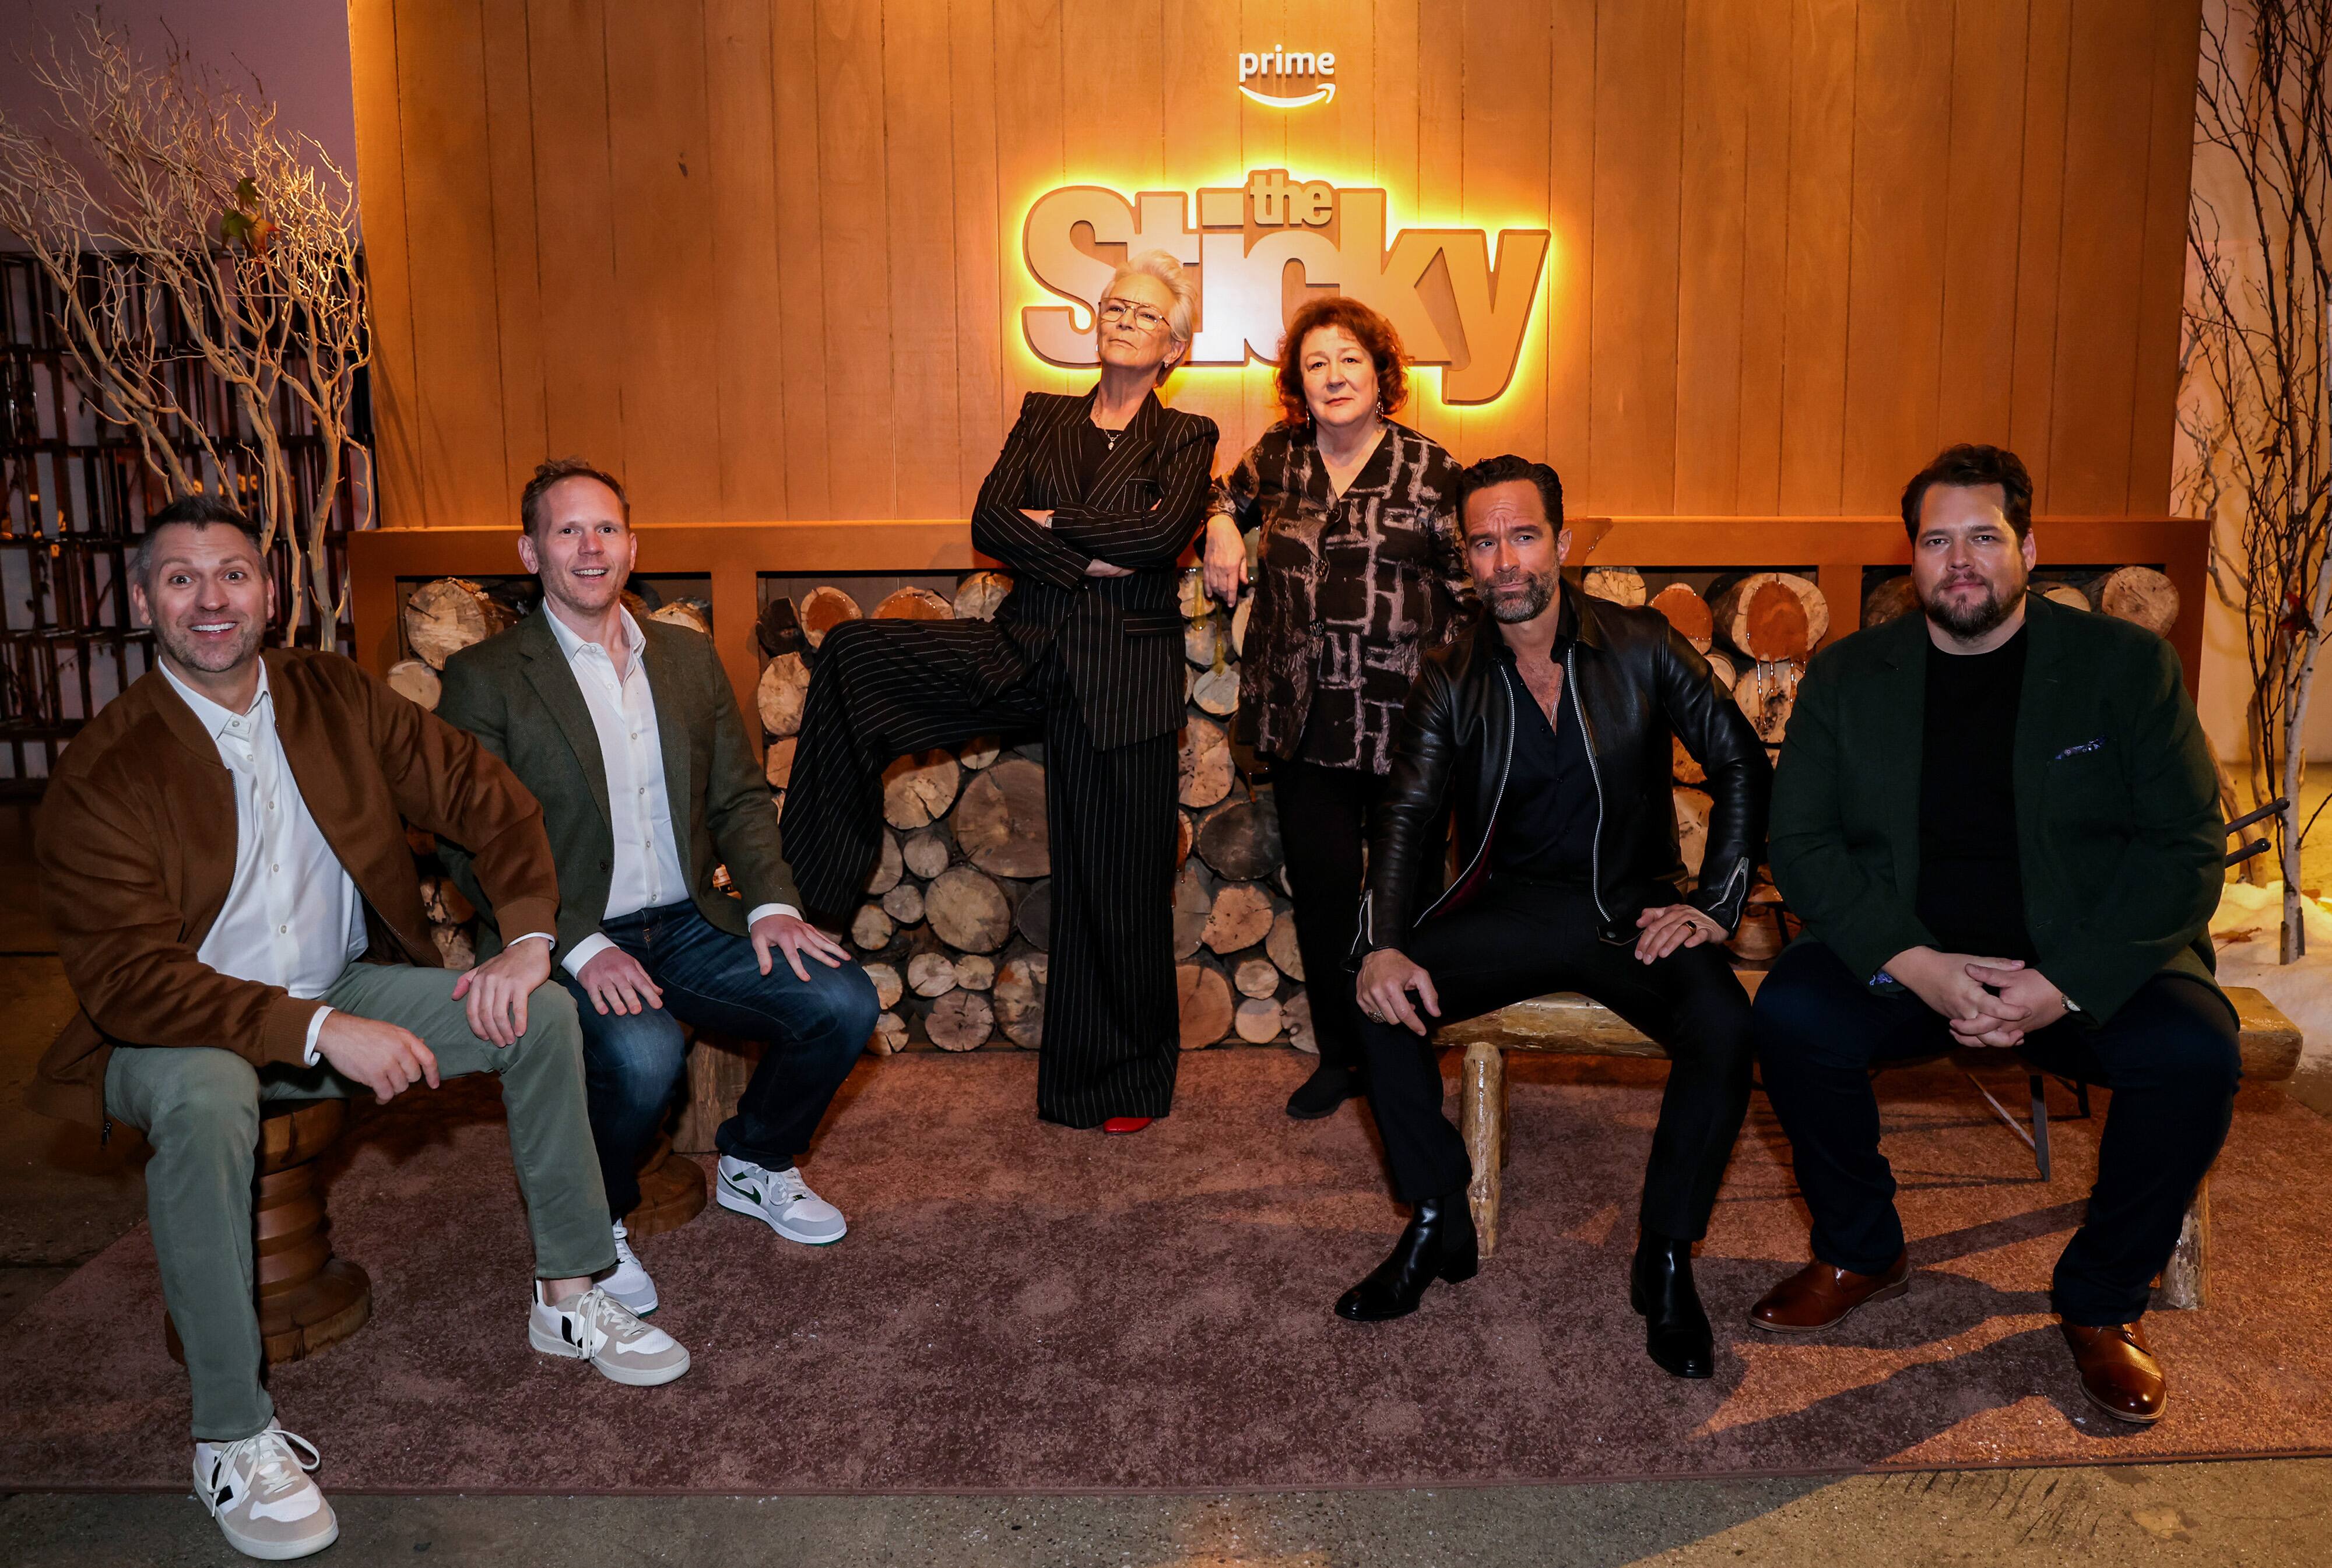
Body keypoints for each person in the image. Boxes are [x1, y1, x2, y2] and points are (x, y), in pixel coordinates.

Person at [31, 495, 689, 1563]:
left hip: (342, 978)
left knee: (546, 1014)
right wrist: (320, 1026)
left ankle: (570, 1290)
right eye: (183, 579)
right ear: (145, 599)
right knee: (206, 1093)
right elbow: (129, 980)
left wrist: (525, 936)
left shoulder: (330, 693)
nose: (212, 600)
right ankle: (230, 1436)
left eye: (233, 574)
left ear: (270, 590)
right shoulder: (104, 769)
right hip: (173, 1027)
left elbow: (485, 792)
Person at [1748, 443, 2237, 1428]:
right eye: (1937, 540)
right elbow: (1799, 843)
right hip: (1912, 958)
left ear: (2029, 548)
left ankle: (2101, 1299)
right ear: (1912, 557)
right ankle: (1859, 1244)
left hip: (2075, 964)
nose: (1960, 560)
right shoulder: (1847, 676)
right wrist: (1917, 965)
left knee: (2195, 1051)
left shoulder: (2124, 668)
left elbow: (2185, 849)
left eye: (1984, 536)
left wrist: (2065, 983)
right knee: (1794, 1013)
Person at [1340, 455, 1769, 1379]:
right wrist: (1380, 946)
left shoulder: (1645, 643)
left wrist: (1713, 905)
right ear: (1468, 558)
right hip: (1507, 915)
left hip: (1631, 911)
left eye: (1524, 536)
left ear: (1562, 543)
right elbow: (1407, 816)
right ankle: (1433, 1217)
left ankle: (1663, 1260)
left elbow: (1740, 760)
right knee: (1371, 998)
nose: (1506, 562)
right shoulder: (1449, 674)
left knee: (1728, 1026)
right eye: (1485, 543)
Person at [784, 251, 1220, 1133]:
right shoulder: (1043, 412)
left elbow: (1161, 534)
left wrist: (1052, 529)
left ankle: (1120, 1084)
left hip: (1123, 671)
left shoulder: (1188, 436)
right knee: (859, 656)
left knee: (1119, 885)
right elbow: (990, 520)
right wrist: (1095, 548)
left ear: (1172, 346)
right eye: (1113, 306)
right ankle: (805, 896)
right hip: (1022, 647)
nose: (1123, 319)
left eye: (1143, 315)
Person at [436, 460, 880, 1315]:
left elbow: (741, 796)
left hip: (688, 922)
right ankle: (587, 1228)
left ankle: (756, 1162)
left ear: (632, 547)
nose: (589, 547)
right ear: (531, 552)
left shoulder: (684, 657)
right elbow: (470, 844)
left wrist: (774, 904)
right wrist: (575, 941)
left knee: (842, 1000)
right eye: (567, 531)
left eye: (605, 528)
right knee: (645, 1055)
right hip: (562, 935)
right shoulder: (485, 677)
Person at [1202, 296, 1470, 1121]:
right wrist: (1219, 522)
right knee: (1321, 897)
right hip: (1303, 720)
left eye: (1350, 359)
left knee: (1406, 900)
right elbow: (1224, 494)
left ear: (1381, 373)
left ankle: (1406, 1051)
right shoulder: (1277, 457)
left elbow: (1466, 596)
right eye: (1316, 364)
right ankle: (1341, 1056)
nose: (1334, 376)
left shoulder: (1432, 468)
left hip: (1406, 723)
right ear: (1298, 384)